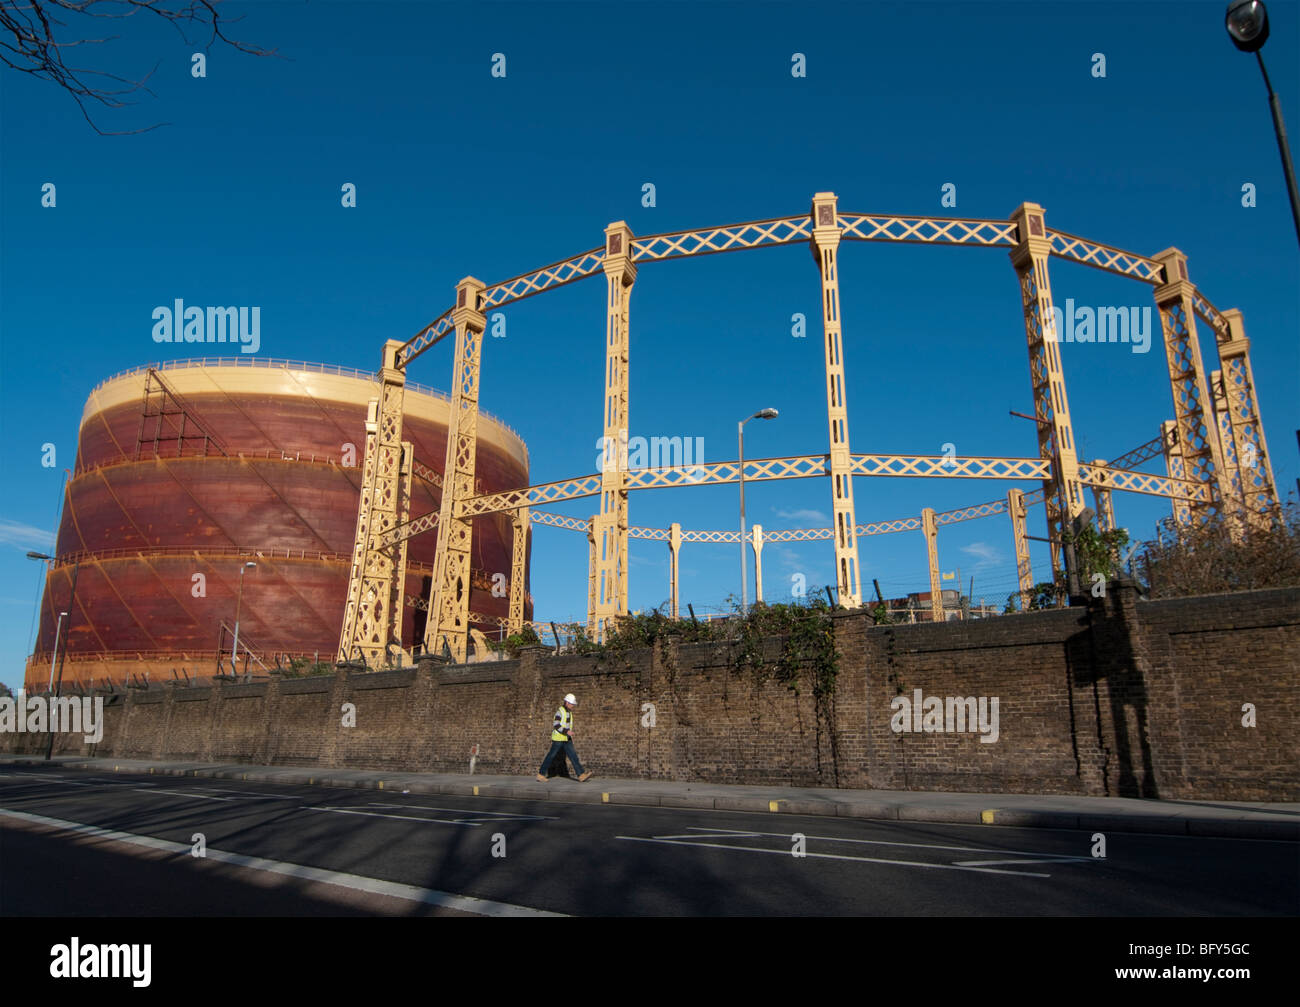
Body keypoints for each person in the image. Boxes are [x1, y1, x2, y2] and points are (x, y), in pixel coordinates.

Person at [536, 693, 593, 782]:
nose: (573, 706)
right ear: (566, 703)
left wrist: (568, 733)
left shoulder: (568, 712)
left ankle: (581, 775)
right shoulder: (560, 711)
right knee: (551, 756)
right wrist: (567, 731)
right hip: (558, 739)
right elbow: (556, 725)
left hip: (566, 738)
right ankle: (540, 774)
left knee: (573, 756)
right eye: (572, 704)